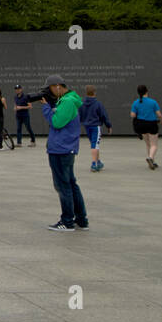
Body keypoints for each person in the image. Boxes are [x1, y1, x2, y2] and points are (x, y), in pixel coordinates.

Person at [43, 75, 88, 232]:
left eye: (49, 90)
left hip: (61, 149)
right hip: (64, 148)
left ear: (57, 86)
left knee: (63, 186)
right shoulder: (68, 100)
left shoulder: (68, 102)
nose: (50, 93)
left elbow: (56, 122)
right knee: (70, 184)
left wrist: (46, 107)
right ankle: (81, 219)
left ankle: (67, 221)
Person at [79, 85, 112, 172]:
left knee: (93, 144)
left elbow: (79, 115)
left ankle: (98, 161)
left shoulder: (82, 104)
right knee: (95, 144)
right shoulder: (98, 104)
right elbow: (103, 116)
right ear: (94, 92)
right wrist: (108, 125)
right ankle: (94, 163)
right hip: (95, 126)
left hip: (87, 126)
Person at [130, 84, 162, 170]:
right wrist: (161, 119)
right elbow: (158, 114)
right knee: (154, 144)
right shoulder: (153, 102)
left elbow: (132, 115)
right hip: (151, 124)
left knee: (148, 144)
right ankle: (150, 158)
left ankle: (152, 162)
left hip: (141, 124)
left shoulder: (136, 102)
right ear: (147, 91)